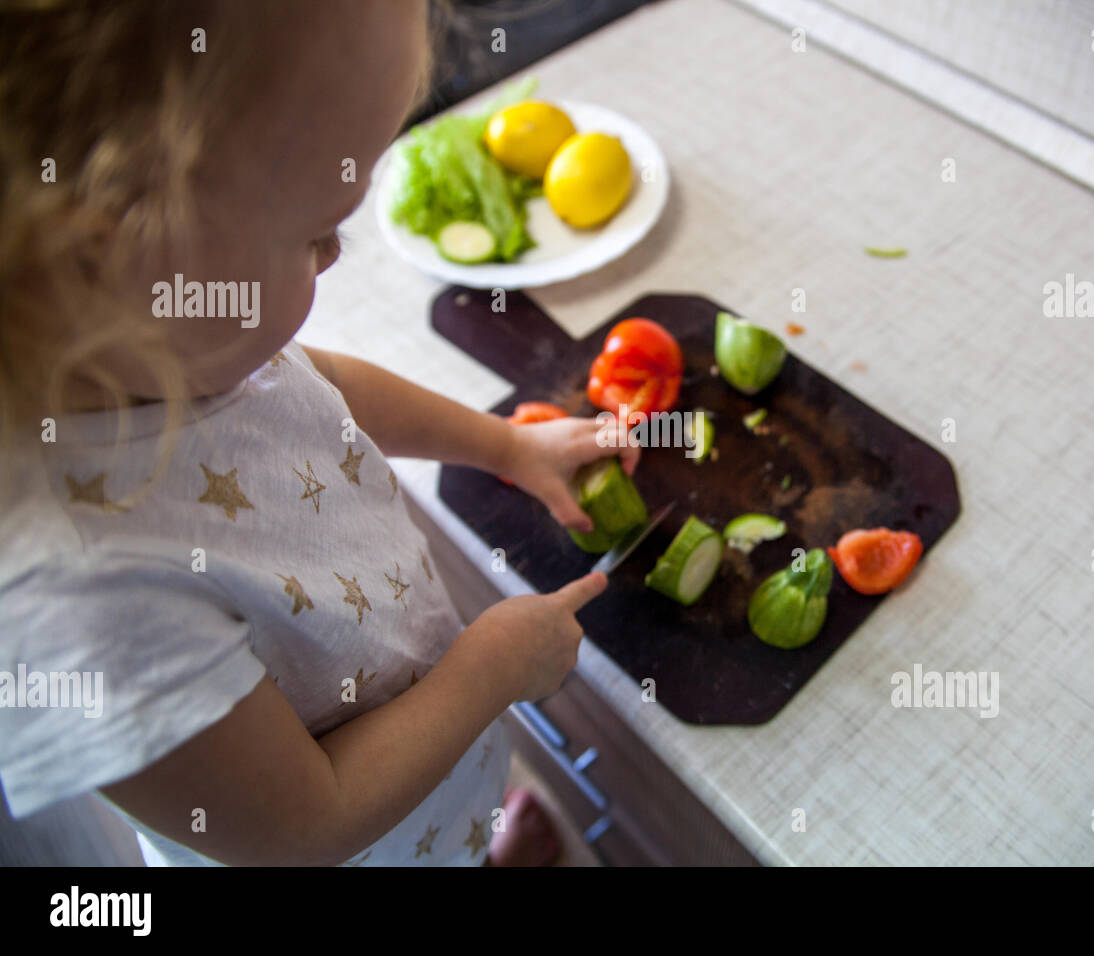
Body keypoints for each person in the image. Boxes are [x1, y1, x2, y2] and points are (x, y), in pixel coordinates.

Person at [0, 0, 635, 866]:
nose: (335, 256)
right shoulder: (76, 600)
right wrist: (492, 668)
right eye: (316, 230)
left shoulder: (171, 340)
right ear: (103, 250)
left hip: (431, 795)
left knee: (461, 826)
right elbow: (306, 826)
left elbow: (318, 384)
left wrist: (509, 447)